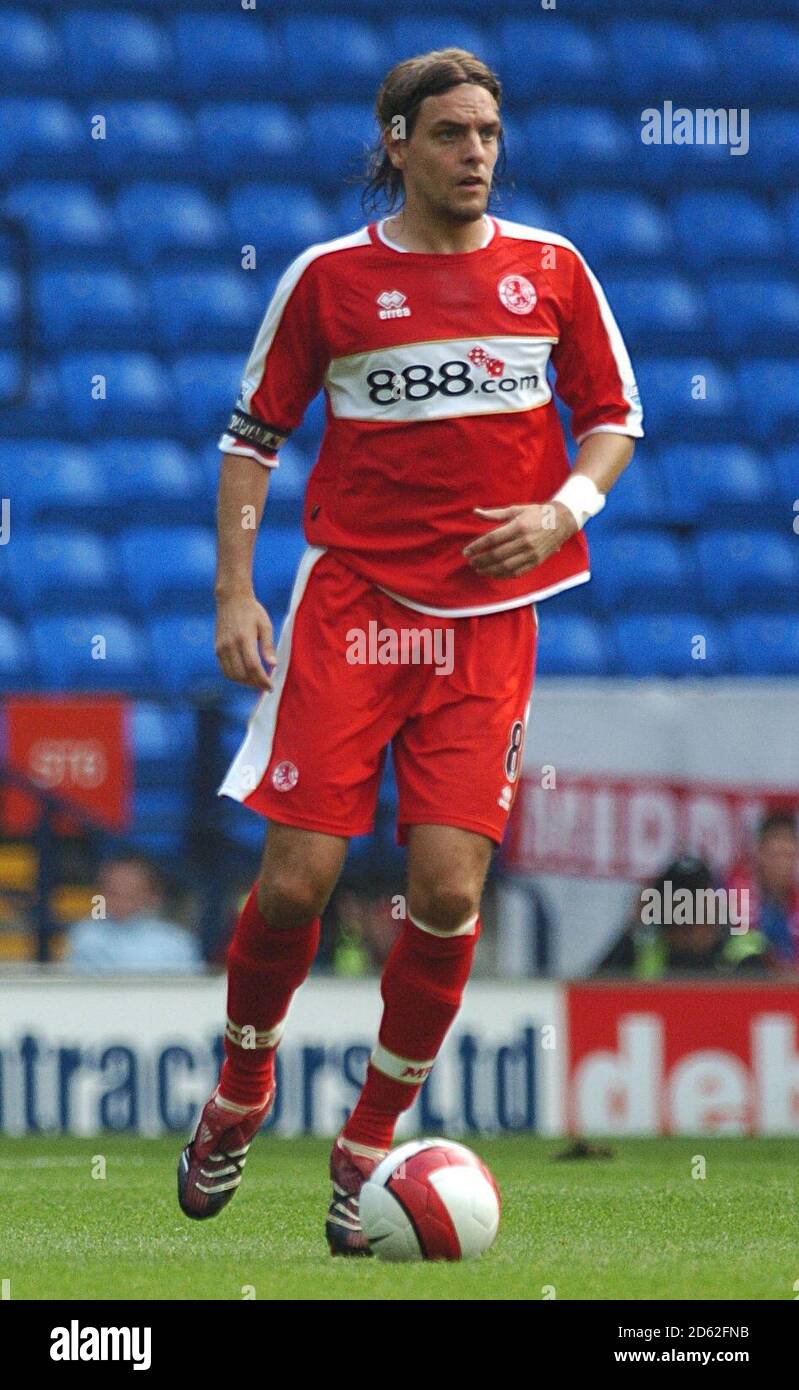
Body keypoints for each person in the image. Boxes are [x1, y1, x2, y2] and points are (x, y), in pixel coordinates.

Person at [177, 48, 643, 1253]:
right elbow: (252, 435)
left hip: (488, 629)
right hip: (352, 610)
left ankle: (368, 1141)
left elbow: (614, 418)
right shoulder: (330, 281)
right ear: (396, 143)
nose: (476, 152)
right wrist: (236, 588)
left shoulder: (551, 268)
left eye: (488, 131)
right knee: (295, 881)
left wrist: (562, 512)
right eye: (448, 133)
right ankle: (240, 1087)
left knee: (443, 893)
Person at [595, 854, 768, 977]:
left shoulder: (744, 953)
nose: (686, 921)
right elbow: (587, 997)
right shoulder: (642, 946)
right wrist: (633, 924)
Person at [65, 855, 202, 973]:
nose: (121, 901)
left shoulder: (177, 943)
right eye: (113, 893)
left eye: (131, 894)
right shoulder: (84, 935)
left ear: (152, 896)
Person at [725, 811, 799, 970]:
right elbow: (743, 949)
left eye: (788, 855)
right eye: (775, 855)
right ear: (759, 852)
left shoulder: (795, 898)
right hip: (745, 983)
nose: (782, 865)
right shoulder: (737, 889)